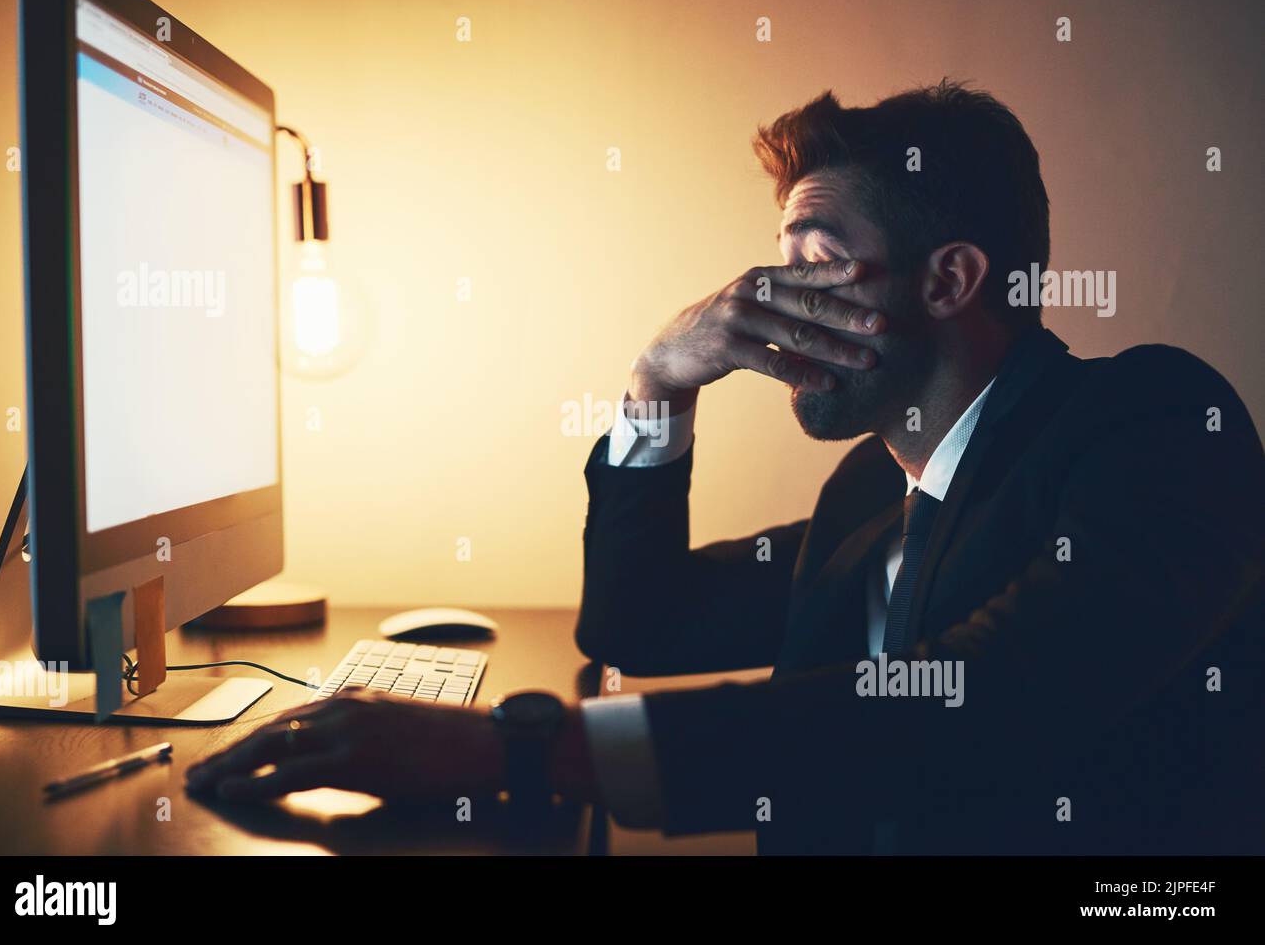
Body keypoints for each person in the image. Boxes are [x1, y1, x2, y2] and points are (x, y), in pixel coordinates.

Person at [188, 81, 1265, 855]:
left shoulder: (1155, 422)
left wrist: (520, 754)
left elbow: (984, 702)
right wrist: (656, 382)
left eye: (813, 264)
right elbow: (637, 624)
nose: (764, 303)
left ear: (949, 279)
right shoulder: (869, 494)